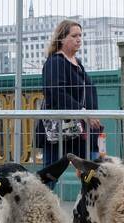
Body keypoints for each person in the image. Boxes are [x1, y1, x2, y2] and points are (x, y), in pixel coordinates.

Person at [40, 19, 101, 182]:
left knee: (92, 175)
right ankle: (39, 206)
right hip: (59, 131)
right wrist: (82, 112)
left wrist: (92, 115)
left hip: (81, 131)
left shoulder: (78, 64)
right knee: (49, 176)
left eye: (80, 35)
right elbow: (55, 93)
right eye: (74, 35)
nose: (79, 39)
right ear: (61, 38)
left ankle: (86, 207)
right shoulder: (55, 62)